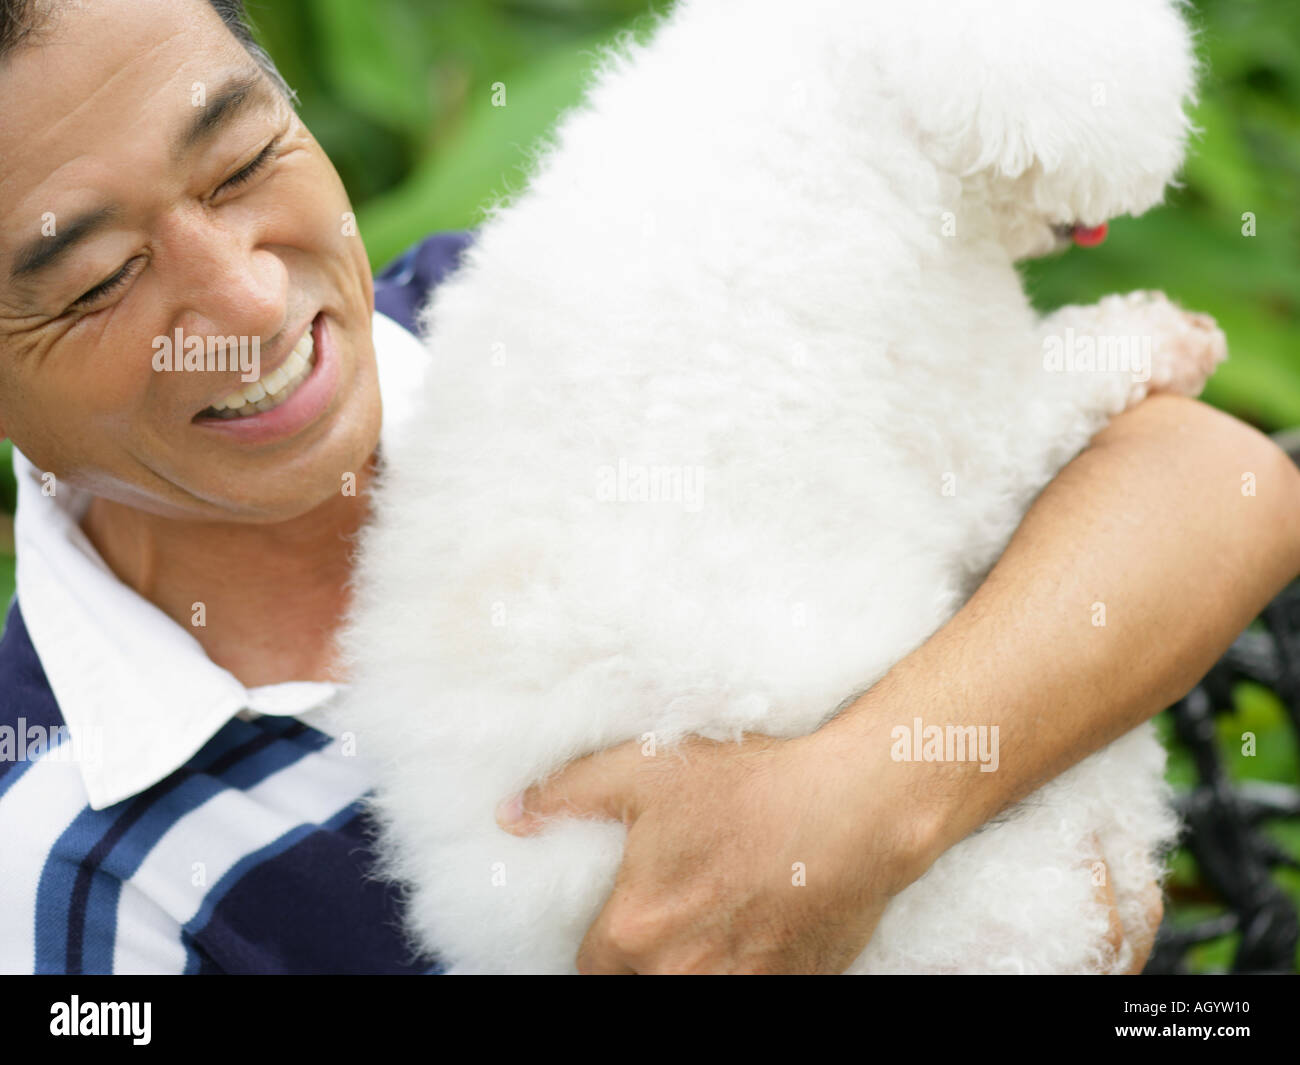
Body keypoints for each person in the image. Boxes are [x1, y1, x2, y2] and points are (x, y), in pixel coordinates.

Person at [0, 0, 1297, 975]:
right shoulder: (78, 882)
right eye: (97, 277)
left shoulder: (506, 304)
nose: (244, 295)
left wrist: (861, 805)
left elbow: (1222, 488)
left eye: (240, 161)